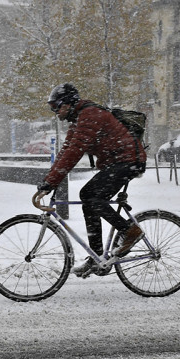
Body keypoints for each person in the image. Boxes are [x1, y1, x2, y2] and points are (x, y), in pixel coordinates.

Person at [36, 83, 147, 278]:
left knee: (93, 198)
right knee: (88, 197)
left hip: (128, 161)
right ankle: (96, 256)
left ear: (69, 104)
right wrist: (49, 179)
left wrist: (52, 181)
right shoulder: (79, 120)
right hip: (118, 162)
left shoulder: (90, 116)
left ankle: (130, 232)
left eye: (56, 107)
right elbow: (65, 151)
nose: (55, 112)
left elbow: (75, 151)